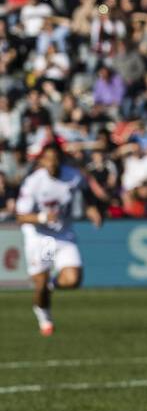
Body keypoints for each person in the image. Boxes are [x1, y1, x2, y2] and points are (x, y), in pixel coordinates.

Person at [15, 139, 104, 336]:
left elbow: (86, 192)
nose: (52, 163)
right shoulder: (33, 182)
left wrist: (92, 211)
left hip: (63, 234)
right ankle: (44, 318)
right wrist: (42, 217)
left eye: (55, 159)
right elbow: (21, 216)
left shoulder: (72, 176)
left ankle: (51, 284)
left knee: (73, 280)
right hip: (40, 236)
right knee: (39, 285)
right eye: (47, 159)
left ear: (60, 160)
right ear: (41, 161)